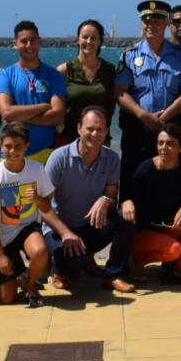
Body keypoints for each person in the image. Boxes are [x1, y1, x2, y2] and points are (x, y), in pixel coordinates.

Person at [42, 105, 136, 293]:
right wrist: (65, 233)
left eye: (100, 129)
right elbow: (42, 206)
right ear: (79, 128)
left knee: (125, 218)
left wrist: (105, 199)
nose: (95, 134)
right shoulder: (59, 157)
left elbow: (112, 198)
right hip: (59, 229)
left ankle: (113, 275)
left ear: (107, 131)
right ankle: (58, 268)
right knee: (73, 267)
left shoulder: (112, 158)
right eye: (90, 128)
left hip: (90, 227)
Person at [0, 122, 69, 307]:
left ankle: (31, 285)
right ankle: (18, 277)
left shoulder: (37, 169)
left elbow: (46, 206)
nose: (13, 151)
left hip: (27, 227)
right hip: (3, 234)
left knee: (40, 251)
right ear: (1, 145)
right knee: (7, 299)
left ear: (27, 146)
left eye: (18, 146)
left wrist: (37, 198)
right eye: (8, 146)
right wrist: (0, 254)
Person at [114, 0, 181, 193]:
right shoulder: (128, 56)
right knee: (133, 183)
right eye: (146, 21)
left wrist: (163, 118)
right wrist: (144, 116)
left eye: (156, 21)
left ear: (167, 24)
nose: (150, 25)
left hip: (170, 130)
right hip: (137, 130)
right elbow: (120, 92)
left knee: (170, 186)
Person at [122, 124, 181, 285]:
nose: (164, 148)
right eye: (160, 143)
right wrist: (127, 202)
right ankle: (138, 259)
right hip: (143, 232)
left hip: (166, 227)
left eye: (170, 143)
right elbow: (128, 196)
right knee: (174, 250)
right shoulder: (147, 168)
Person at [0, 21, 67, 164]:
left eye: (33, 40)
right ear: (15, 44)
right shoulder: (5, 76)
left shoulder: (54, 75)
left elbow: (58, 115)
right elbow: (7, 113)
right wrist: (45, 107)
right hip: (12, 152)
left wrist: (18, 117)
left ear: (40, 41)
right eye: (24, 41)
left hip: (46, 150)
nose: (29, 45)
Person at [57, 20, 116, 145]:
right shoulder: (64, 70)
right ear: (78, 40)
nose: (89, 41)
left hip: (99, 140)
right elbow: (55, 107)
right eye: (85, 37)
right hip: (68, 140)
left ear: (100, 41)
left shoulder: (109, 70)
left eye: (94, 38)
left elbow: (112, 105)